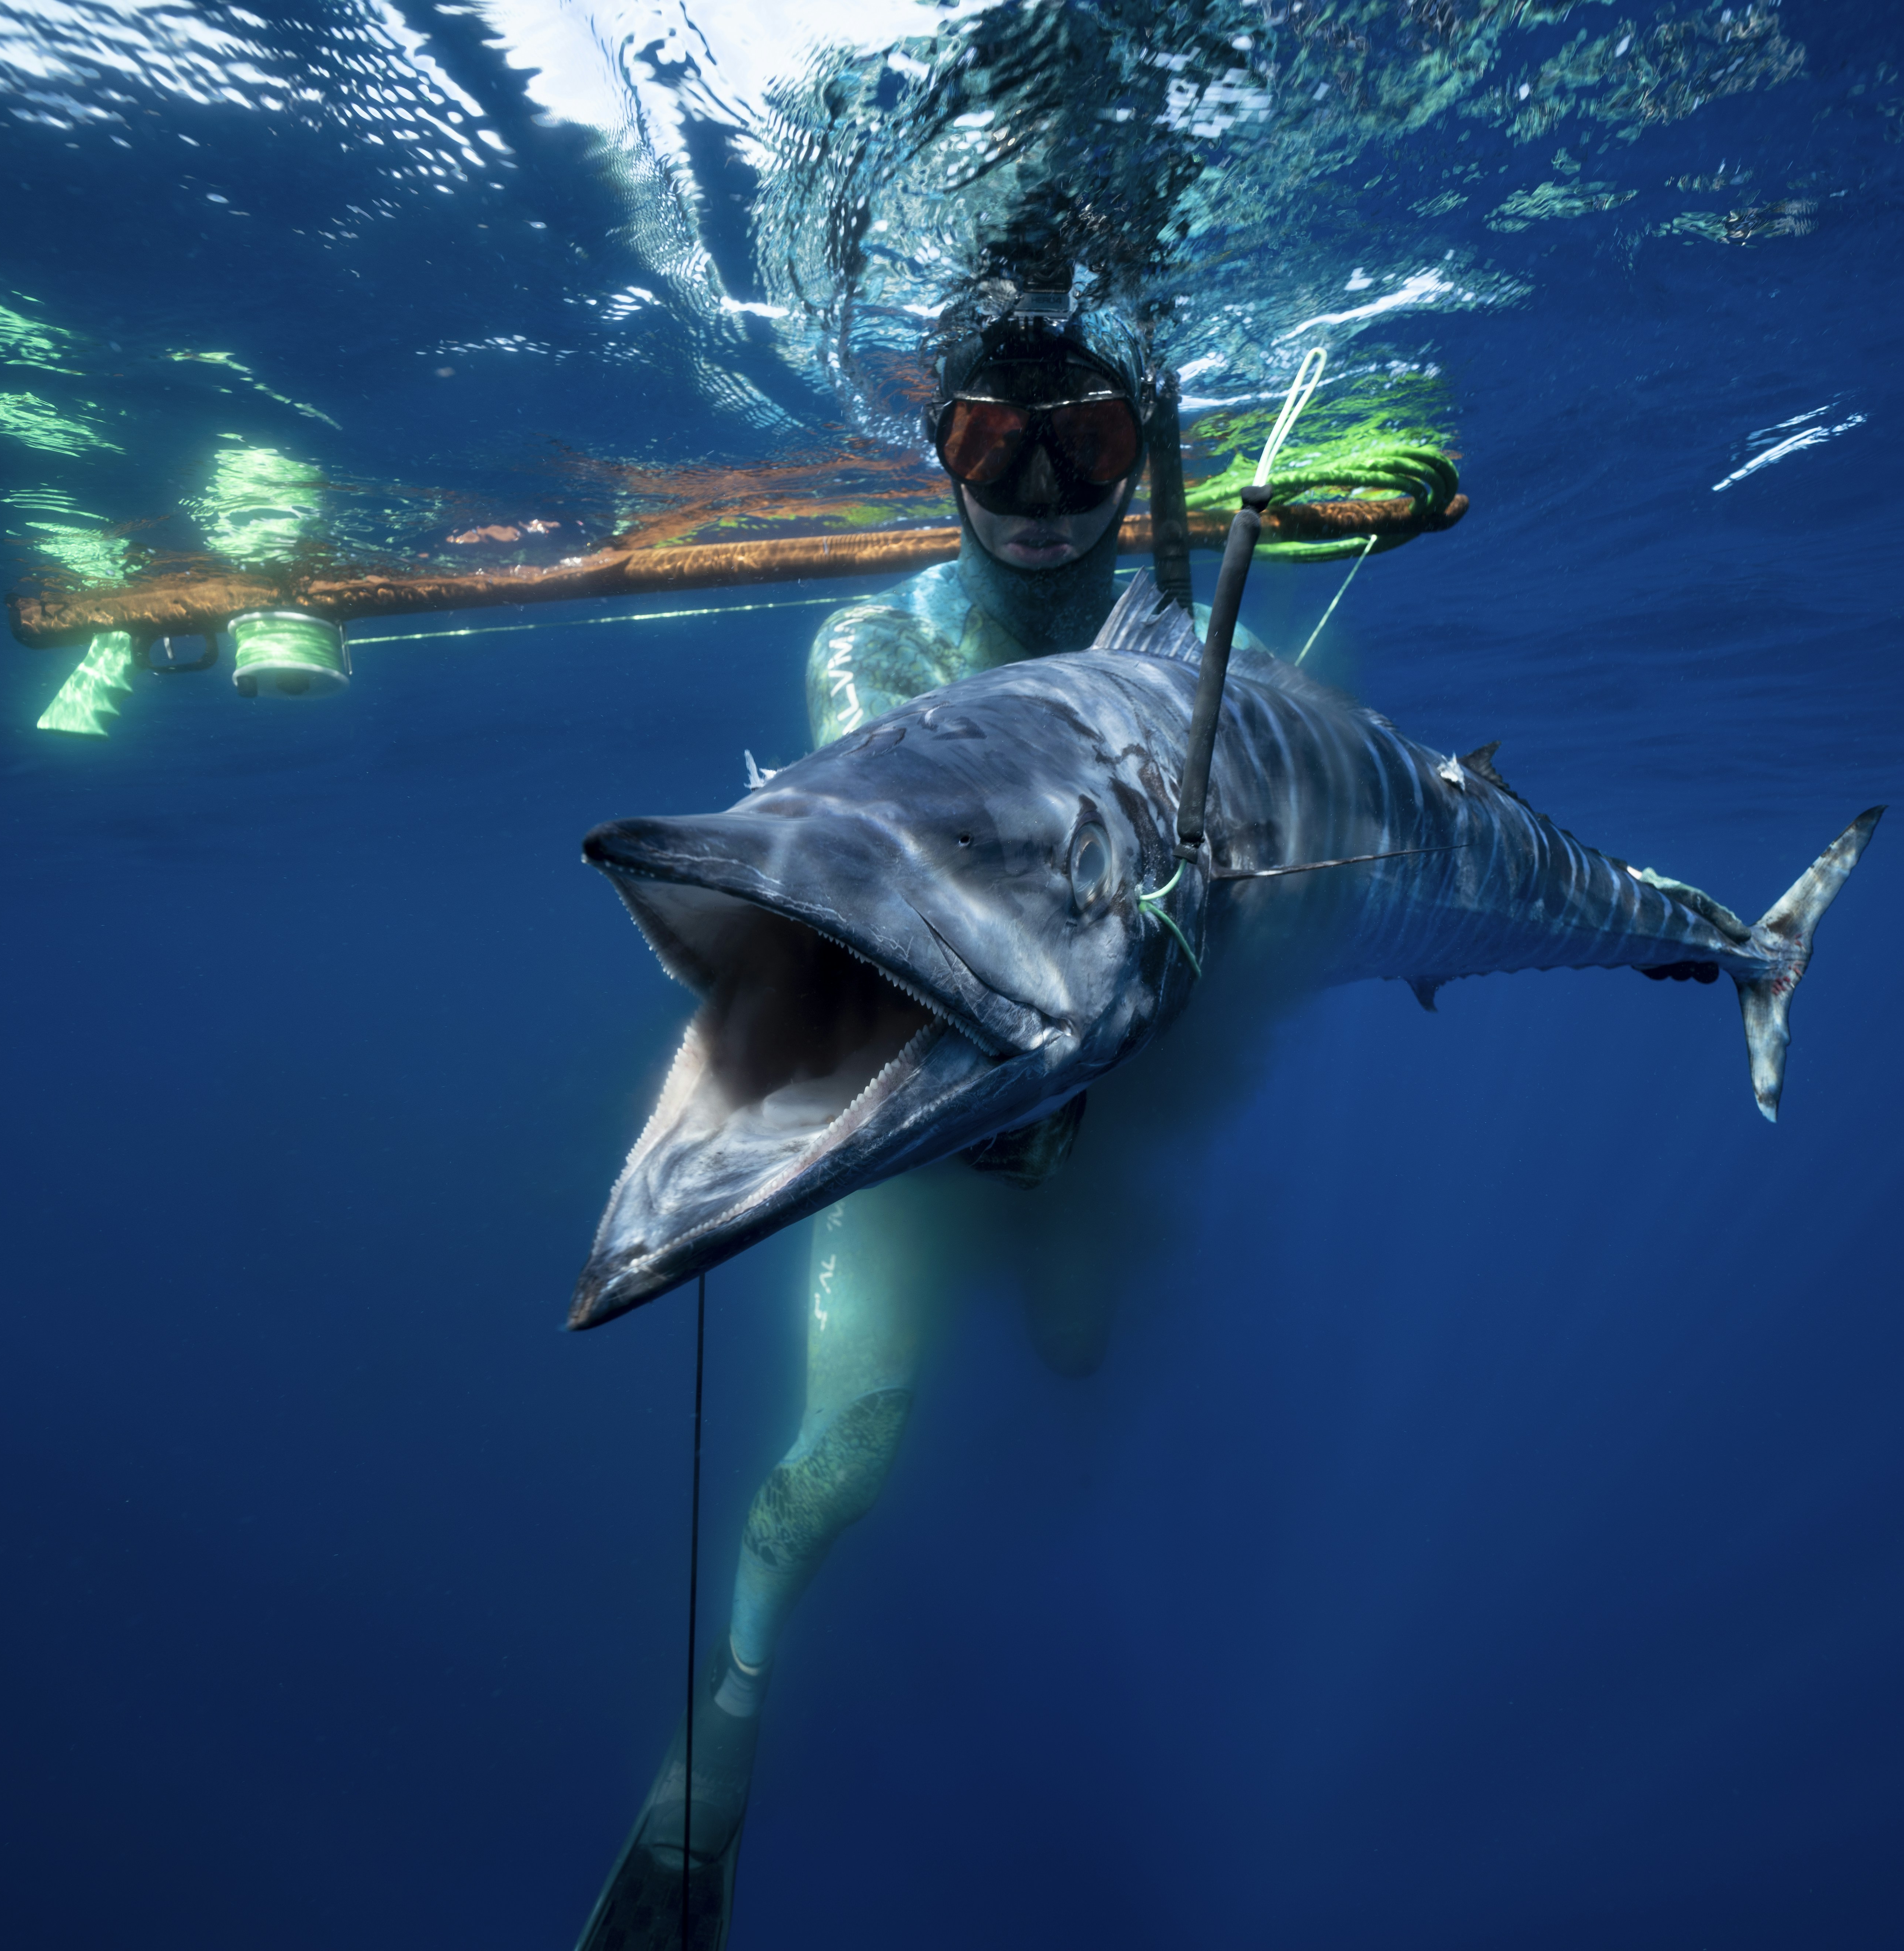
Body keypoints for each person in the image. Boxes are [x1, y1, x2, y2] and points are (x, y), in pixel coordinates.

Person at [576, 285, 1260, 1951]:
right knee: (833, 1472)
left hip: (1096, 1091)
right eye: (990, 445)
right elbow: (885, 868)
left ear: (1135, 456)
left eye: (1083, 447)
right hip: (934, 1109)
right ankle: (715, 1755)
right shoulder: (873, 658)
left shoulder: (1194, 657)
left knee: (1079, 1345)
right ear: (938, 453)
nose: (1038, 499)